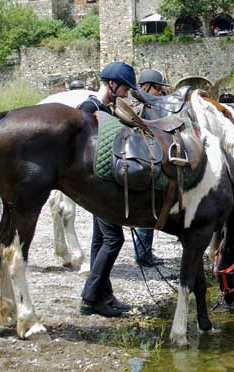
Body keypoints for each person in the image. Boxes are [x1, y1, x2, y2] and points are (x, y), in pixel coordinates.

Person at [77, 61, 138, 318]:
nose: (126, 94)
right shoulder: (89, 109)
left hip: (97, 186)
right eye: (124, 88)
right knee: (114, 239)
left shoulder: (104, 109)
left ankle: (104, 295)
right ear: (112, 84)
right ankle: (90, 298)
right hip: (98, 186)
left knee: (100, 240)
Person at [131, 68, 169, 267]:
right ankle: (143, 254)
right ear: (151, 87)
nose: (162, 94)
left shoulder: (133, 102)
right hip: (145, 162)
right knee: (149, 208)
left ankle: (143, 251)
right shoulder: (146, 106)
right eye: (160, 90)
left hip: (139, 160)